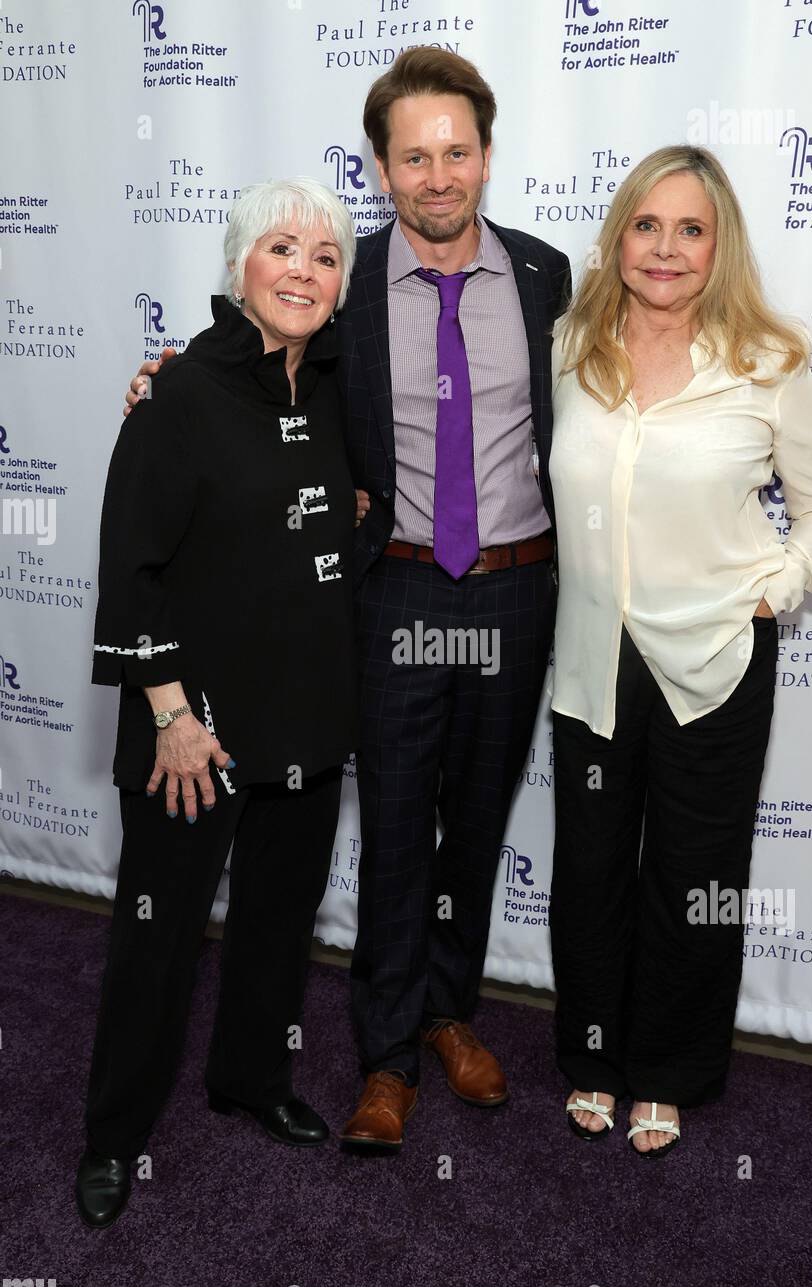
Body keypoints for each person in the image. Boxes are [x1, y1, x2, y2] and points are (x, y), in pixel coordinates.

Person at [125, 51, 572, 1155]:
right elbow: (253, 360)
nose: (436, 174)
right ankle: (382, 1056)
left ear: (484, 155)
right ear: (380, 167)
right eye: (412, 155)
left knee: (475, 821)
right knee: (392, 830)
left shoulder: (545, 276)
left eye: (454, 151)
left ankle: (447, 1013)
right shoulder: (345, 282)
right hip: (392, 587)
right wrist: (168, 374)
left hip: (516, 587)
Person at [547, 145, 812, 1156]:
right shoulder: (568, 345)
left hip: (715, 659)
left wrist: (777, 587)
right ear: (618, 234)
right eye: (646, 225)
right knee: (589, 869)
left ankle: (667, 1073)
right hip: (589, 659)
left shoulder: (767, 358)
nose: (664, 249)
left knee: (694, 874)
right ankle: (591, 1055)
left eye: (689, 229)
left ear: (717, 246)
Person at [77, 178, 359, 1228]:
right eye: (279, 248)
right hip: (188, 730)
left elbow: (355, 516)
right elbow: (130, 566)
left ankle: (249, 1077)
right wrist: (170, 713)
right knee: (156, 936)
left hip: (306, 710)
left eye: (323, 256)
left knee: (279, 923)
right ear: (238, 268)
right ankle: (112, 1135)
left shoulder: (336, 391)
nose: (301, 269)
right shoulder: (179, 394)